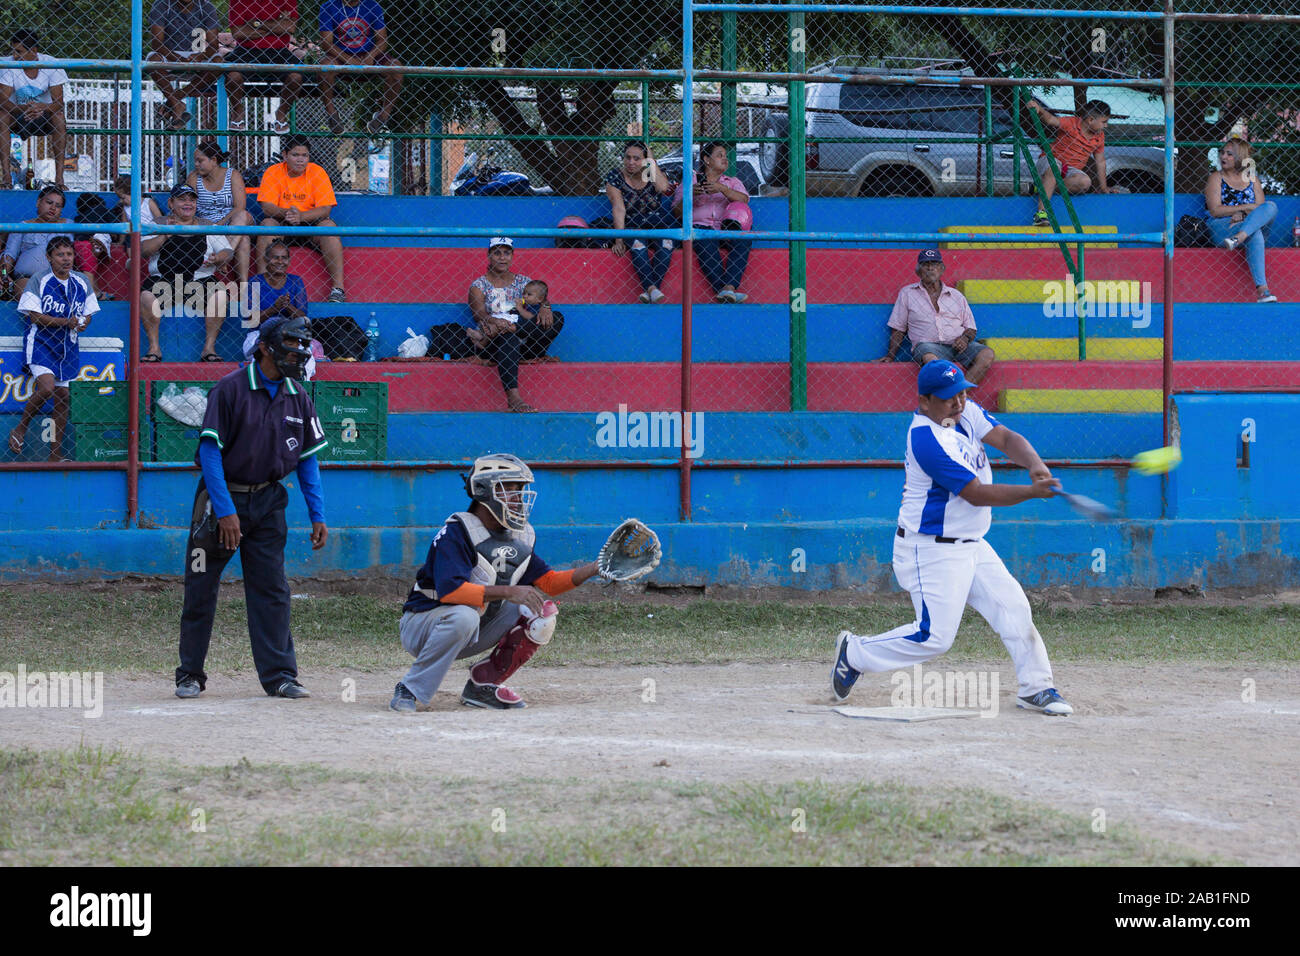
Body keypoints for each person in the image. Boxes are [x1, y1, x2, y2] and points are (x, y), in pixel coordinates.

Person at [830, 360, 1073, 717]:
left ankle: (1036, 688)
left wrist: (1035, 464)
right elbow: (975, 493)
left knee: (1014, 608)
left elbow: (1006, 438)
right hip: (930, 549)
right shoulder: (926, 438)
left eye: (961, 394)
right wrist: (1032, 492)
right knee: (933, 638)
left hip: (972, 542)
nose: (958, 403)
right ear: (924, 401)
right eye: (948, 399)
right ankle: (855, 652)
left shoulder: (964, 411)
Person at [174, 315, 328, 701]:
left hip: (269, 503)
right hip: (218, 504)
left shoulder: (299, 396)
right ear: (264, 347)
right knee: (200, 587)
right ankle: (189, 674)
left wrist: (318, 513)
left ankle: (279, 676)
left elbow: (308, 460)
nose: (299, 353)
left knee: (272, 590)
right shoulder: (230, 389)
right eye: (291, 344)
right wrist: (225, 512)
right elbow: (209, 455)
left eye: (302, 346)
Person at [390, 453, 603, 713]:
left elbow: (549, 583)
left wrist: (595, 568)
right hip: (423, 626)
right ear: (485, 491)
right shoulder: (458, 531)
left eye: (520, 490)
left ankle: (483, 684)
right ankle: (409, 688)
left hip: (471, 627)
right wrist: (508, 591)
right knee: (464, 616)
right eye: (509, 490)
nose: (517, 499)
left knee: (541, 612)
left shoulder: (519, 536)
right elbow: (451, 591)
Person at [6, 237, 99, 460]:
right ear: (49, 258)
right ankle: (20, 428)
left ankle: (55, 455)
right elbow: (35, 317)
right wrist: (66, 322)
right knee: (47, 388)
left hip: (68, 347)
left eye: (69, 254)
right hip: (42, 343)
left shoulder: (81, 282)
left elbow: (89, 312)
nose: (66, 259)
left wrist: (85, 322)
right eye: (60, 255)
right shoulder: (39, 279)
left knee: (64, 396)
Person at [139, 182, 235, 362]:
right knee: (146, 297)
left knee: (221, 296)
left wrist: (218, 258)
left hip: (199, 281)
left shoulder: (207, 225)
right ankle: (154, 349)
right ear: (170, 203)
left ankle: (209, 349)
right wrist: (164, 234)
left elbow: (227, 251)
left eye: (191, 200)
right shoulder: (157, 223)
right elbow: (143, 250)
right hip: (164, 281)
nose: (188, 203)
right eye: (182, 199)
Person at [467, 237, 564, 413]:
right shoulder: (478, 285)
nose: (502, 258)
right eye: (497, 253)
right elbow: (479, 315)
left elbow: (540, 296)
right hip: (494, 345)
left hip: (527, 343)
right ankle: (514, 399)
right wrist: (496, 321)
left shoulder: (523, 281)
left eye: (506, 253)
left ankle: (512, 327)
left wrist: (545, 306)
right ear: (489, 256)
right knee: (508, 336)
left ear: (512, 256)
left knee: (557, 317)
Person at [879, 249, 995, 385]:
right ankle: (953, 391)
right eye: (925, 264)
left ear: (942, 269)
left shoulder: (956, 296)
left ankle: (960, 391)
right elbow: (898, 328)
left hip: (958, 347)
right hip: (928, 347)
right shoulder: (907, 293)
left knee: (987, 355)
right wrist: (890, 356)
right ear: (918, 270)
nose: (930, 268)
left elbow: (971, 328)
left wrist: (964, 338)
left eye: (934, 264)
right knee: (931, 360)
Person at [256, 135, 346, 302]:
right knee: (266, 225)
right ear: (284, 155)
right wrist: (287, 214)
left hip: (310, 224)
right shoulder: (273, 172)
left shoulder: (317, 171)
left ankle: (338, 289)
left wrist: (301, 216)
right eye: (295, 155)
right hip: (282, 221)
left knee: (329, 227)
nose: (300, 160)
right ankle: (262, 287)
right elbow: (267, 207)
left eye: (304, 156)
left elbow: (325, 209)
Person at [673, 141, 752, 302]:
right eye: (719, 155)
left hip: (726, 228)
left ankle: (727, 288)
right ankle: (724, 289)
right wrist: (691, 195)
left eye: (726, 156)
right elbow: (676, 212)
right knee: (704, 241)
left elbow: (744, 200)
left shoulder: (732, 182)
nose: (725, 159)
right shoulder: (691, 181)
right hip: (700, 228)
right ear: (706, 159)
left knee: (744, 238)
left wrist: (722, 189)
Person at [1, 186, 110, 300]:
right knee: (25, 293)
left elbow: (85, 247)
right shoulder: (21, 227)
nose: (53, 208)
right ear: (38, 202)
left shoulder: (72, 226)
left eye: (58, 206)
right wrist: (4, 274)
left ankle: (50, 312)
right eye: (49, 203)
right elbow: (9, 254)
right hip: (28, 278)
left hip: (63, 278)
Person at [1204, 136, 1278, 304]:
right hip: (1223, 227)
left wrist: (1244, 216)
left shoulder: (1252, 179)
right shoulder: (1216, 178)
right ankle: (1263, 291)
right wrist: (1244, 209)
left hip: (1243, 228)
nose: (1223, 157)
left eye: (1229, 154)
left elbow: (1262, 208)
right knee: (1255, 232)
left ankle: (1241, 236)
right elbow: (1215, 211)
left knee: (1271, 206)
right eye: (1222, 153)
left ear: (1240, 157)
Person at [316, 0, 404, 135]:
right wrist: (348, 59)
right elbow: (326, 43)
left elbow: (383, 39)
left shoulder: (372, 5)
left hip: (369, 54)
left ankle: (383, 116)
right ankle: (332, 113)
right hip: (340, 55)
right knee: (324, 67)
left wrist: (371, 55)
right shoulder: (328, 7)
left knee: (396, 68)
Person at [603, 140, 675, 303]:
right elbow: (619, 208)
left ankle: (650, 289)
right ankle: (652, 288)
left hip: (657, 223)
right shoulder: (615, 176)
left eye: (637, 158)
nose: (631, 162)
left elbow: (664, 188)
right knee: (638, 247)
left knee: (667, 245)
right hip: (632, 224)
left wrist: (651, 160)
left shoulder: (651, 173)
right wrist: (619, 239)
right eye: (627, 157)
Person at [1026, 98, 1113, 226]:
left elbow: (1100, 161)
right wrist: (1040, 110)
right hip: (1052, 160)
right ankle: (1041, 213)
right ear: (1090, 120)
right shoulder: (1071, 122)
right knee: (1054, 168)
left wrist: (1104, 187)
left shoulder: (1099, 136)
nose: (1106, 125)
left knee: (1085, 182)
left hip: (1071, 169)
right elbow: (1051, 120)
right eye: (1104, 122)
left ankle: (1041, 188)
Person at [239, 239, 319, 379]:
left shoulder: (295, 281)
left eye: (284, 258)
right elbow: (250, 320)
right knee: (264, 356)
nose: (280, 262)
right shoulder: (255, 282)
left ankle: (298, 388)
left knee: (307, 360)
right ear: (266, 259)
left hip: (289, 335)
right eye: (275, 257)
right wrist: (274, 308)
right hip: (258, 335)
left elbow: (303, 318)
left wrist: (287, 306)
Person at [0, 30, 67, 191]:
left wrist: (42, 108)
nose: (14, 55)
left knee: (59, 117)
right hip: (18, 114)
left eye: (19, 51)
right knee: (2, 116)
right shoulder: (8, 64)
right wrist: (25, 108)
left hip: (43, 116)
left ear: (33, 51)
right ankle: (7, 177)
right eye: (13, 50)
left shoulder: (51, 64)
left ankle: (59, 179)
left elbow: (59, 103)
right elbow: (2, 101)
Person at [225, 0, 305, 133]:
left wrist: (256, 24)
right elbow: (238, 33)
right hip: (246, 50)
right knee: (232, 76)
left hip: (279, 51)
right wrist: (276, 26)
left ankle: (281, 113)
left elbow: (289, 28)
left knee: (296, 76)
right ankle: (238, 111)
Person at [146, 0, 223, 131]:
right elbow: (156, 43)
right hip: (170, 54)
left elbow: (214, 44)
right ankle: (177, 104)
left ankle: (175, 101)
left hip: (199, 54)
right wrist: (178, 59)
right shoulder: (162, 4)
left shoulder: (206, 6)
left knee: (218, 62)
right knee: (153, 59)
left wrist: (199, 56)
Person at [188, 141, 255, 284]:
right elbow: (190, 206)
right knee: (243, 240)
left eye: (200, 160)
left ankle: (224, 258)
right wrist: (210, 227)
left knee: (242, 216)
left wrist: (219, 225)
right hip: (206, 227)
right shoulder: (194, 178)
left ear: (213, 160)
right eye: (195, 161)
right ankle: (242, 284)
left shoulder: (232, 175)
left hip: (232, 223)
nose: (196, 164)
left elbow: (240, 206)